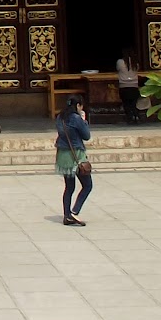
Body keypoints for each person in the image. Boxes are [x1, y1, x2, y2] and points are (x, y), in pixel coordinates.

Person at [55, 96, 93, 227]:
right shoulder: (76, 118)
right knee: (87, 185)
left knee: (69, 187)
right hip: (76, 154)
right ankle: (74, 211)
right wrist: (83, 121)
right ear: (78, 105)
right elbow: (86, 136)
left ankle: (67, 215)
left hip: (63, 155)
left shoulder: (60, 117)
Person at [116, 53, 142, 123]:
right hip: (134, 86)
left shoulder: (120, 62)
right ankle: (136, 116)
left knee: (126, 104)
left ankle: (130, 117)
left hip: (123, 86)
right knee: (133, 104)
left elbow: (118, 69)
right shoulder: (135, 62)